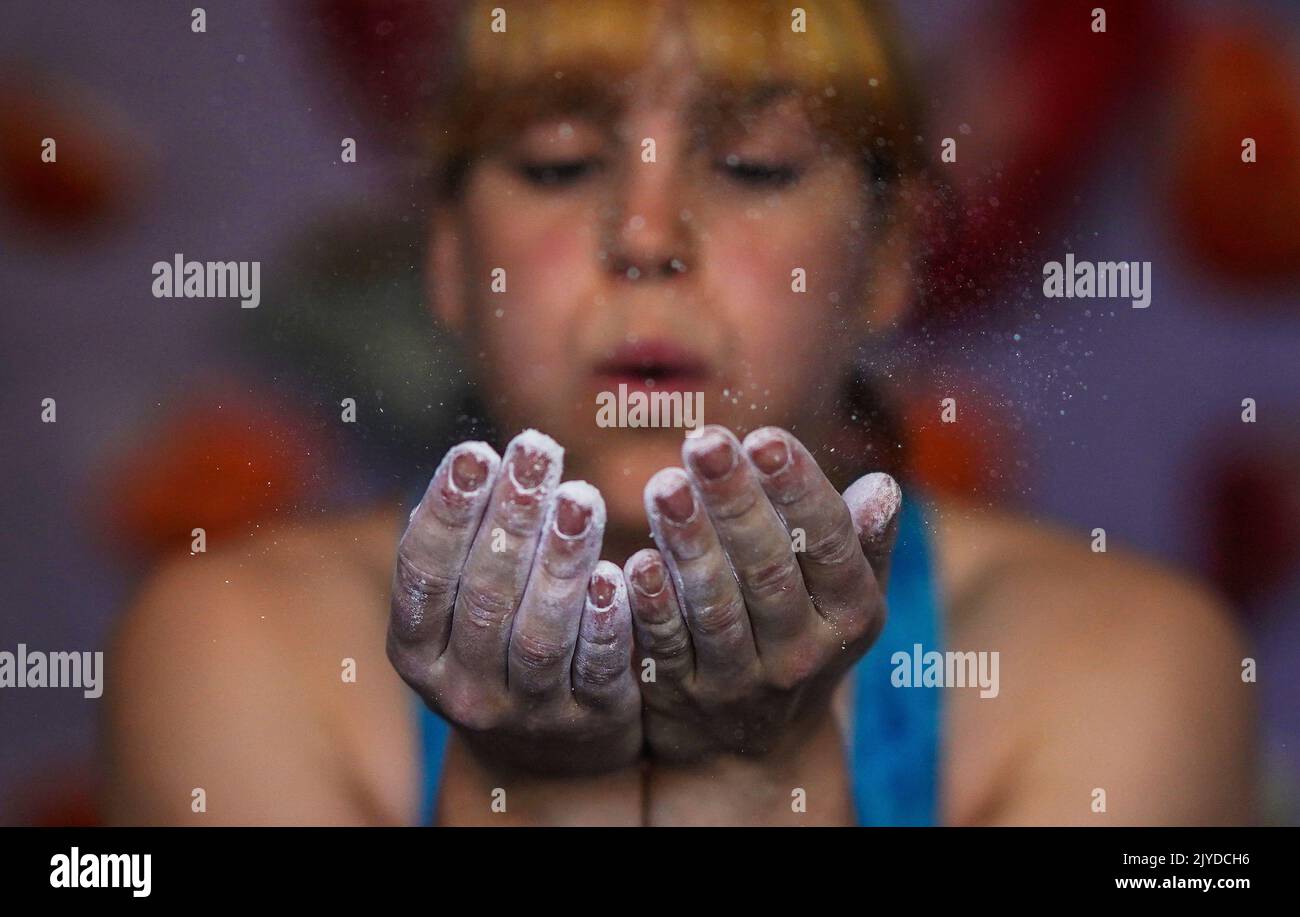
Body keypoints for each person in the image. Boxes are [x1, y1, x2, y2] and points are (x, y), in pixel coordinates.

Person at [105, 0, 1253, 826]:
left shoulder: (1128, 660)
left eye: (753, 169)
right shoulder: (230, 643)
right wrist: (533, 795)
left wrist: (761, 786)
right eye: (557, 164)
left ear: (888, 257)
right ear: (449, 259)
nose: (647, 236)